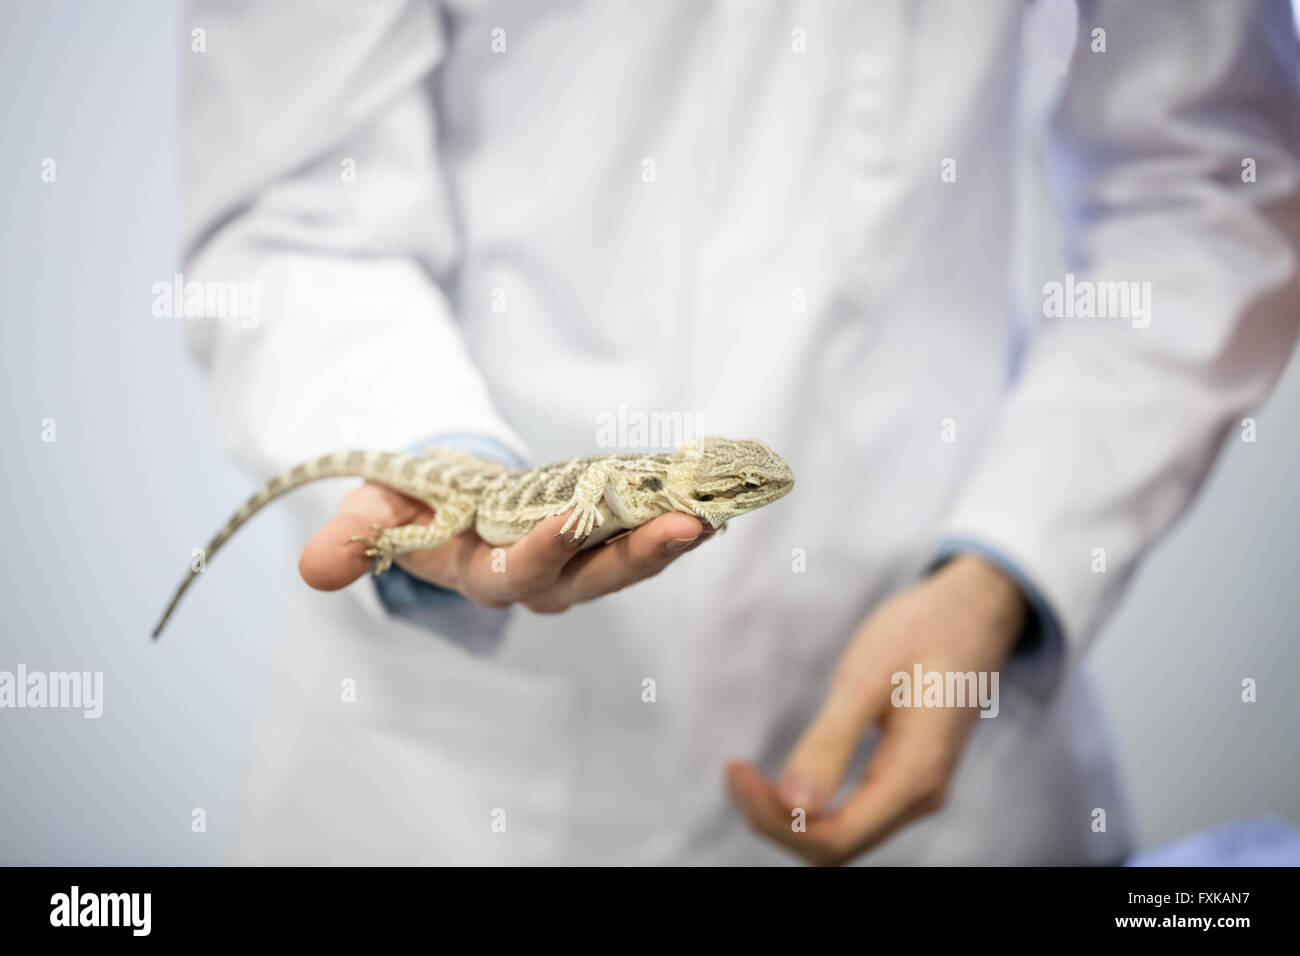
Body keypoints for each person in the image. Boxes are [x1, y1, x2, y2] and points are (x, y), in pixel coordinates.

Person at [179, 0, 1300, 864]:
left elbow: (1210, 184)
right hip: (446, 780)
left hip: (942, 709)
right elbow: (297, 216)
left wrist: (1011, 562)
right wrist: (431, 471)